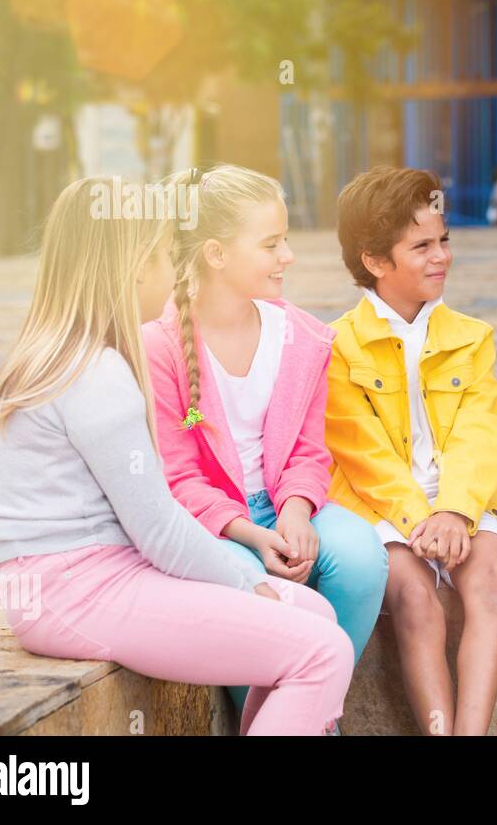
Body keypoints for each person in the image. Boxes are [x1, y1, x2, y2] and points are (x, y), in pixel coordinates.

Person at [0, 176, 353, 736]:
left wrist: (261, 587)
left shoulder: (71, 354)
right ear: (132, 266)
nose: (171, 272)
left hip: (87, 575)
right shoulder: (94, 374)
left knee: (316, 617)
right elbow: (158, 528)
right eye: (160, 256)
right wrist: (249, 583)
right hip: (72, 588)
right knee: (322, 651)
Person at [143, 164, 389, 722]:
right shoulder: (160, 347)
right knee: (246, 586)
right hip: (213, 522)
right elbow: (178, 479)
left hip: (288, 504)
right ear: (216, 254)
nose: (288, 256)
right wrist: (254, 535)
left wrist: (298, 513)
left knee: (359, 559)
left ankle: (310, 714)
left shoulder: (300, 337)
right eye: (272, 244)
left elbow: (308, 451)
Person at [327, 166, 497, 735]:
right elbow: (361, 452)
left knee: (494, 575)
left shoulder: (471, 337)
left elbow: (482, 431)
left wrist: (457, 511)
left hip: (460, 503)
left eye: (444, 240)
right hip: (383, 510)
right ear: (374, 260)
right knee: (413, 597)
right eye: (421, 246)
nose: (440, 255)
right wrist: (423, 521)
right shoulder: (338, 346)